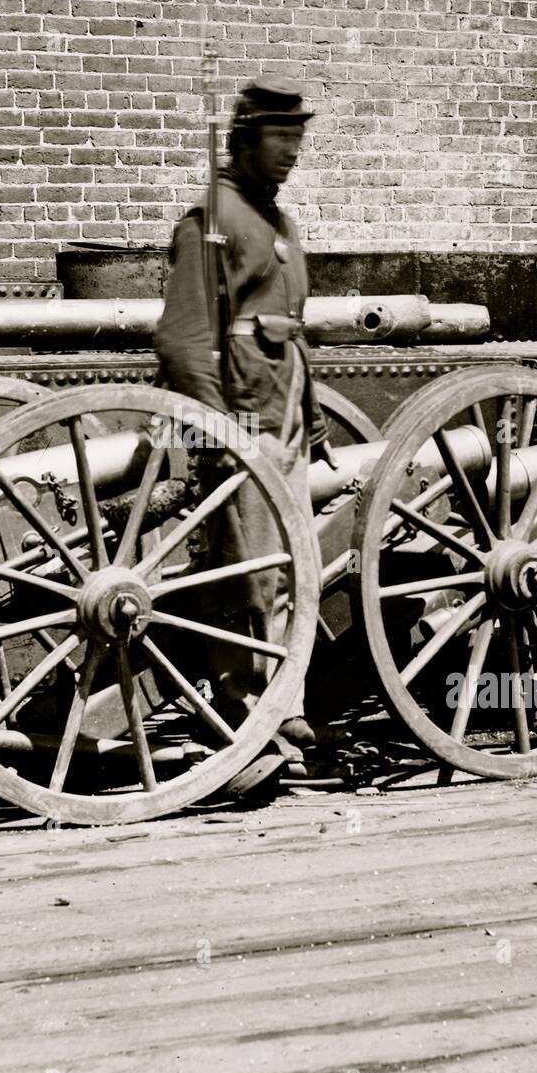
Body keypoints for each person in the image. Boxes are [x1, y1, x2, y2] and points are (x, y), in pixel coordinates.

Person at [154, 77, 332, 759]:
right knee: (252, 569)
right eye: (279, 138)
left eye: (297, 139)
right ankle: (244, 710)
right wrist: (219, 424)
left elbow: (290, 328)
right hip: (242, 414)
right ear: (244, 140)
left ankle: (285, 704)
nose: (291, 152)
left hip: (281, 407)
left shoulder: (279, 221)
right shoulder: (213, 218)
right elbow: (182, 338)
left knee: (292, 562)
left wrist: (310, 411)